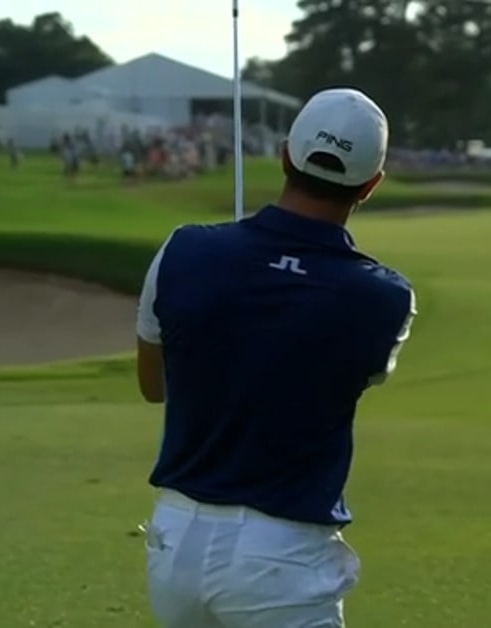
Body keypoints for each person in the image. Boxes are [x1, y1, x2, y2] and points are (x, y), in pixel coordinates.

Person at [136, 87, 415, 628]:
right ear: (372, 185)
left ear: (286, 154)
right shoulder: (384, 297)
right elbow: (357, 373)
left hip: (175, 545)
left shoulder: (183, 250)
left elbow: (155, 384)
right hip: (281, 558)